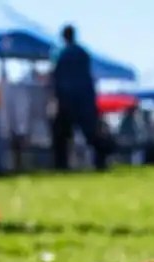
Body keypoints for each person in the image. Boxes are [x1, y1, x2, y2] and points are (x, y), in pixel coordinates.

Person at [51, 24, 105, 171]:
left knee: (61, 134)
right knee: (90, 132)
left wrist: (56, 96)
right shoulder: (83, 53)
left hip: (67, 98)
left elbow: (56, 76)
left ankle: (62, 164)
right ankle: (100, 159)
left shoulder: (60, 54)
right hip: (85, 97)